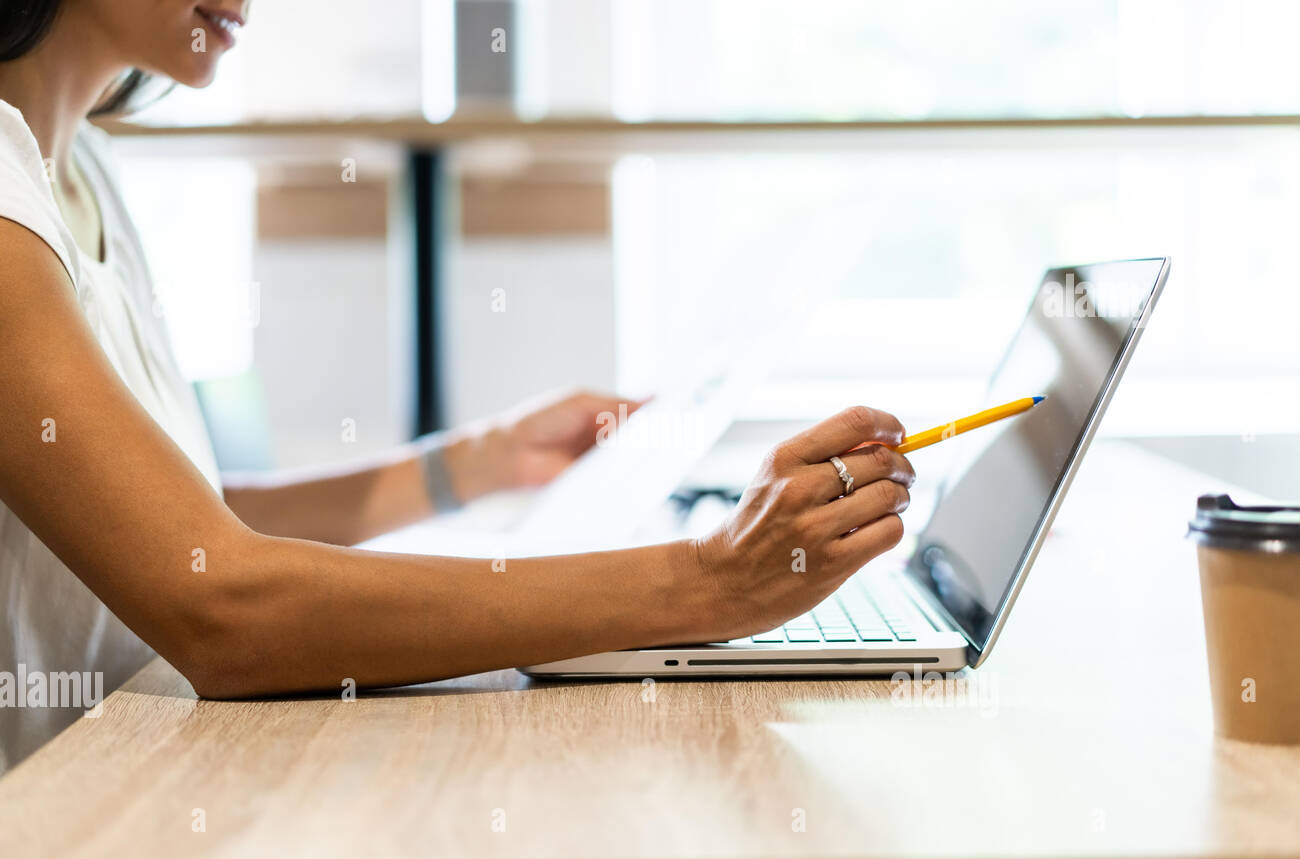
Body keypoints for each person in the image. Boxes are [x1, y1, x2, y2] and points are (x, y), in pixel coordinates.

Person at [0, 0, 915, 771]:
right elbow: (220, 605)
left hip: (131, 770)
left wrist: (474, 464)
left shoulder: (79, 167)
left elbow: (175, 523)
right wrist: (707, 584)